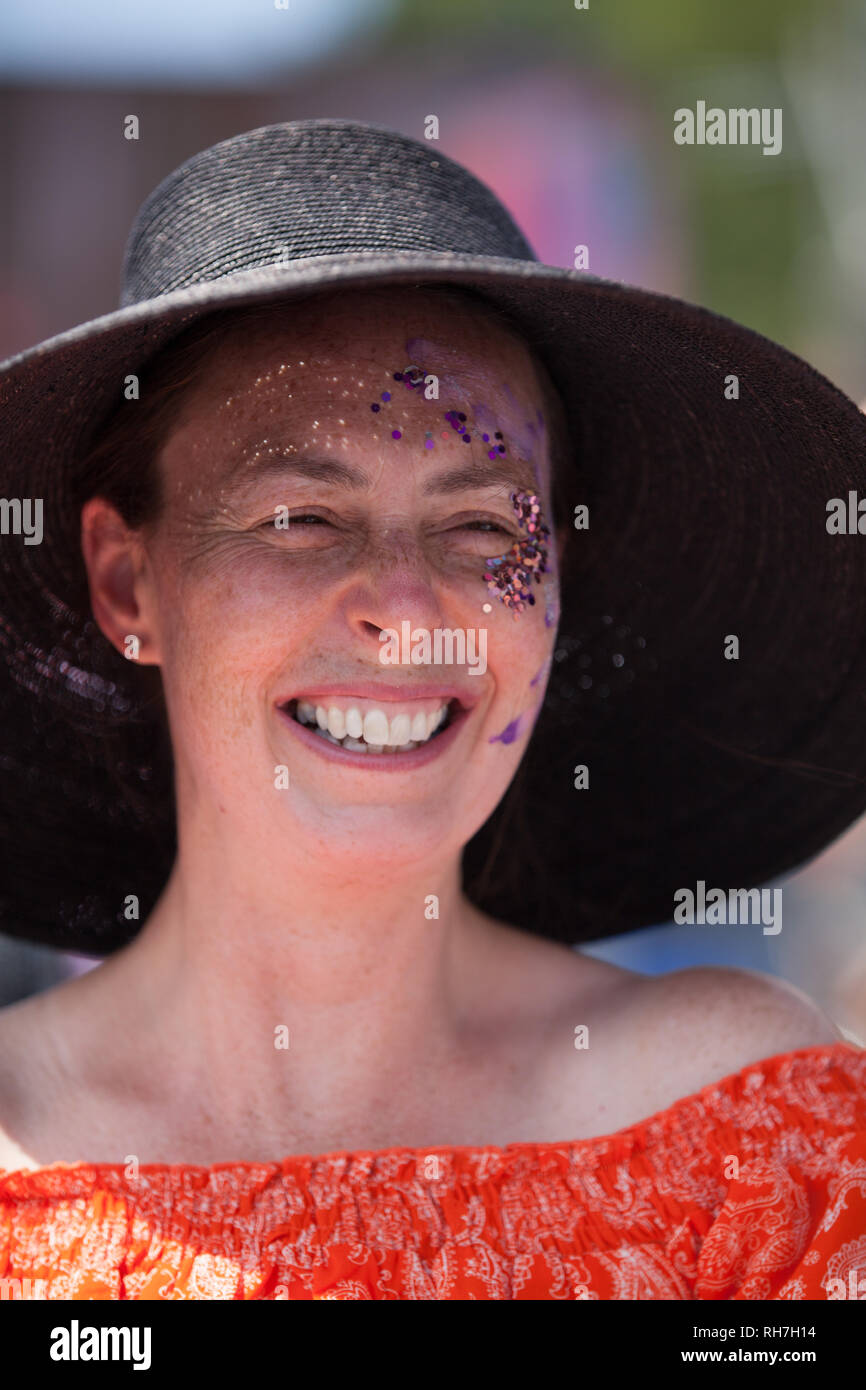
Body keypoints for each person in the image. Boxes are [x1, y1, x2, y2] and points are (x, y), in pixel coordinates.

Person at [0, 119, 864, 1301]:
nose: (408, 615)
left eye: (482, 530)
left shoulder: (743, 1138)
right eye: (299, 518)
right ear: (126, 582)